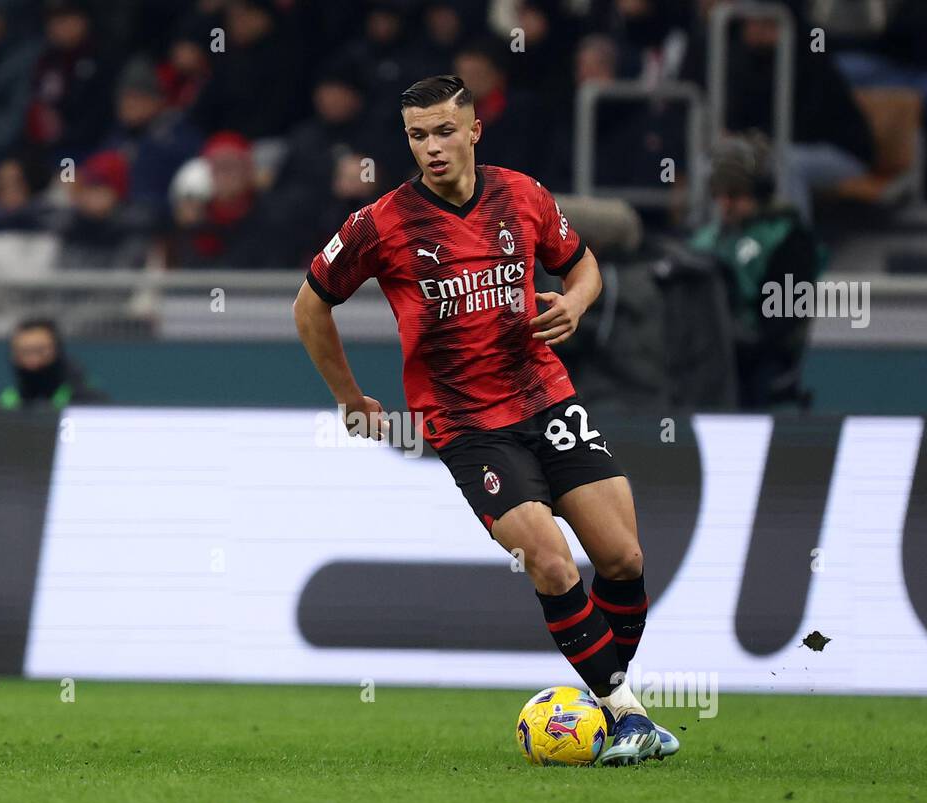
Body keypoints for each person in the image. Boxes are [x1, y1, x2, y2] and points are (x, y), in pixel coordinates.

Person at [293, 74, 678, 766]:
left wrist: (577, 303)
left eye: (444, 131)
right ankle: (627, 716)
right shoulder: (380, 225)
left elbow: (583, 264)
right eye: (417, 136)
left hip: (549, 398)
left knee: (623, 559)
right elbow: (310, 304)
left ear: (474, 130)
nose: (432, 148)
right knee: (553, 564)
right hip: (467, 425)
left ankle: (607, 706)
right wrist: (350, 398)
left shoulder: (522, 195)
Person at [689, 133, 822, 409]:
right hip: (705, 357)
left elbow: (784, 321)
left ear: (760, 192)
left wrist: (737, 343)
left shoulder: (789, 240)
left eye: (735, 195)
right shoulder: (705, 239)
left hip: (761, 361)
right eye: (719, 195)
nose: (725, 204)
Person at [0, 318, 106, 410]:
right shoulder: (7, 401)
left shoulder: (86, 399)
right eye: (24, 351)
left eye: (40, 350)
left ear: (57, 350)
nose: (33, 361)